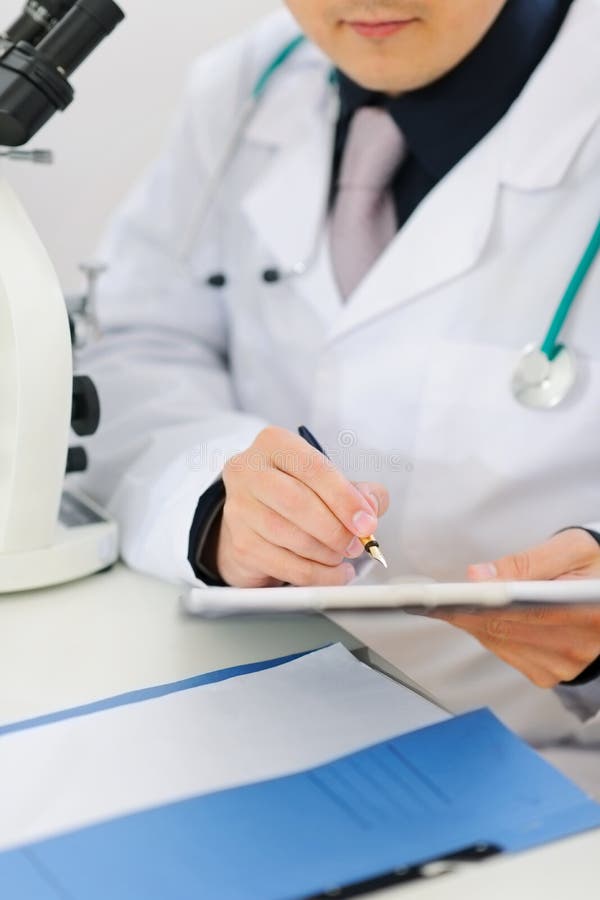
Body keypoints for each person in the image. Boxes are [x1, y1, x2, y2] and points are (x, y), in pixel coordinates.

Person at [80, 0, 600, 776]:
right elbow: (137, 348)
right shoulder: (247, 83)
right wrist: (220, 506)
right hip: (258, 724)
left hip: (554, 761)